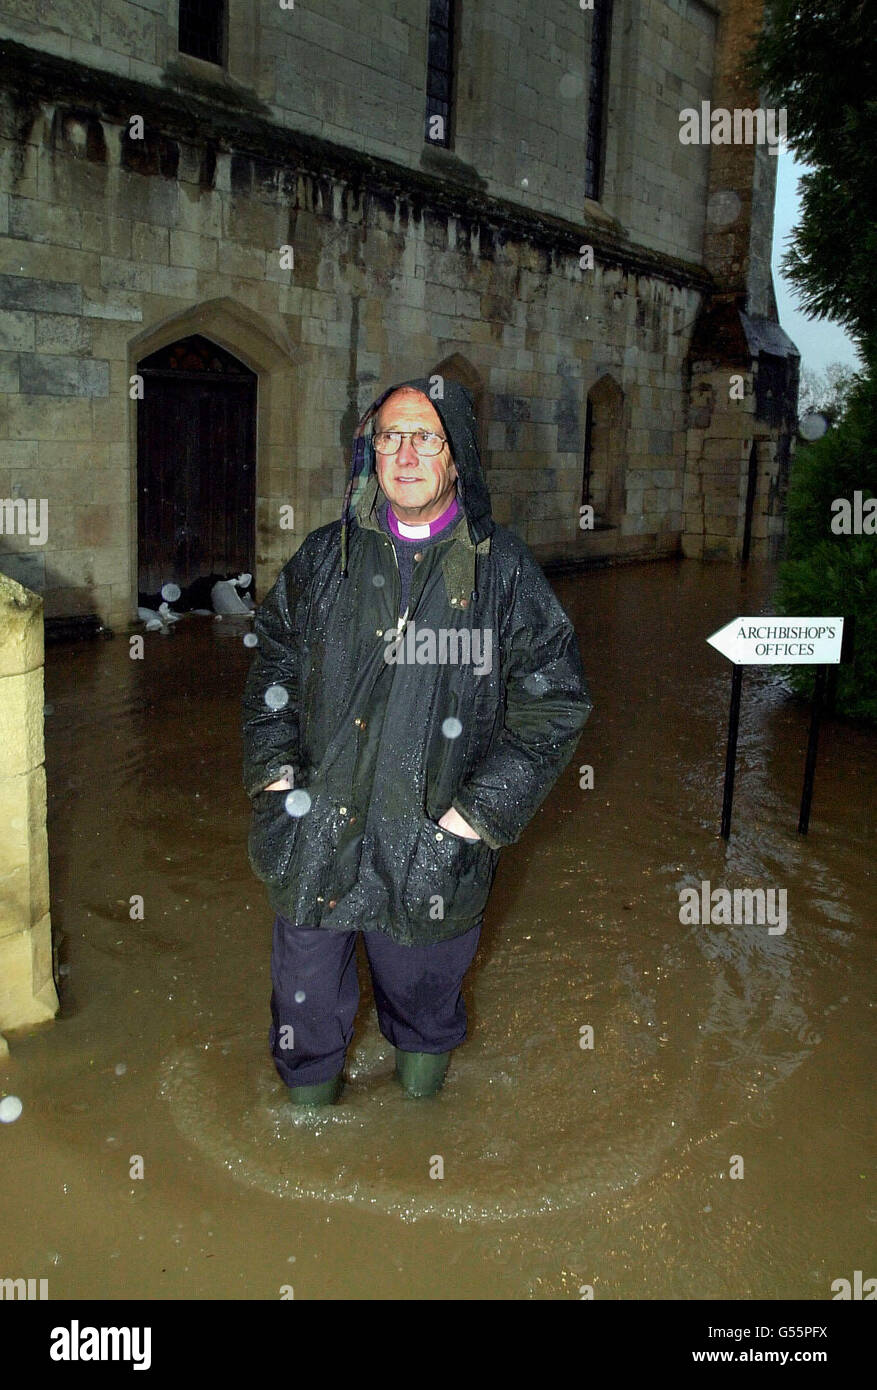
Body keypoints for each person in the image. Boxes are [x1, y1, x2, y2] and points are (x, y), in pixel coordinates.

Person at [241, 376, 592, 1105]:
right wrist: (275, 775)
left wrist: (473, 818)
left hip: (430, 844)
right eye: (390, 436)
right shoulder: (324, 557)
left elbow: (553, 702)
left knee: (424, 1009)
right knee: (303, 1015)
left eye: (425, 438)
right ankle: (307, 1127)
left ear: (456, 456)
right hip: (315, 837)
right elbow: (273, 660)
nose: (404, 454)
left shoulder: (502, 571)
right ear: (370, 452)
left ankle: (421, 1129)